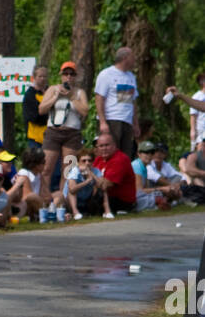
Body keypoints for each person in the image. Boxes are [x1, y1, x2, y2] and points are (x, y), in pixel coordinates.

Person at [37, 61, 89, 201]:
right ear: (61, 75)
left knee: (68, 170)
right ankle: (44, 201)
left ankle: (63, 201)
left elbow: (85, 111)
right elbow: (41, 109)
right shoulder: (53, 89)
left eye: (71, 74)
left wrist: (71, 96)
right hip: (53, 132)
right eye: (65, 74)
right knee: (47, 168)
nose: (68, 77)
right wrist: (56, 97)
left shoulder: (79, 92)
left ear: (76, 76)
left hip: (72, 133)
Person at [94, 47, 140, 159]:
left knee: (125, 156)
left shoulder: (131, 77)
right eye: (132, 57)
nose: (135, 60)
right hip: (112, 119)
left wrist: (135, 123)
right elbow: (99, 98)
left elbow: (132, 101)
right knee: (111, 153)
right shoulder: (107, 74)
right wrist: (102, 122)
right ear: (125, 58)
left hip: (126, 121)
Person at [94, 130, 137, 214]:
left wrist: (89, 175)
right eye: (101, 146)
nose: (104, 148)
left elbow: (106, 185)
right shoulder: (98, 159)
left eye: (107, 145)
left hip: (121, 201)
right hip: (107, 197)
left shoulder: (120, 159)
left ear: (114, 145)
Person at [22, 65, 49, 147]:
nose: (42, 79)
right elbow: (33, 117)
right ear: (34, 77)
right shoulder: (30, 94)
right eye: (40, 76)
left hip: (51, 136)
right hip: (35, 137)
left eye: (44, 76)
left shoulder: (50, 91)